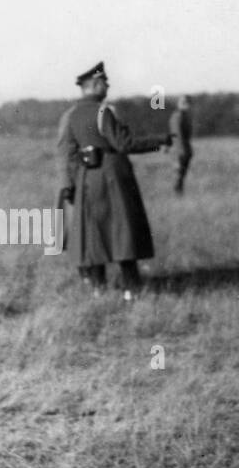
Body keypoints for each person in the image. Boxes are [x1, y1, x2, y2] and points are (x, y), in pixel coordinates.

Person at [56, 61, 167, 299]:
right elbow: (123, 144)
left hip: (86, 181)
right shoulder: (103, 111)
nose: (107, 86)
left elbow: (67, 151)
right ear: (95, 85)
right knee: (123, 234)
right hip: (113, 178)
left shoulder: (72, 115)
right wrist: (160, 140)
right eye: (104, 83)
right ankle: (131, 290)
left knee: (94, 235)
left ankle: (98, 289)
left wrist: (69, 184)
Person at [168, 94, 194, 195]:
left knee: (181, 175)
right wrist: (182, 151)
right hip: (180, 151)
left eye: (187, 103)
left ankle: (179, 193)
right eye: (184, 103)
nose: (187, 105)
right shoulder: (177, 117)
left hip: (184, 150)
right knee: (179, 175)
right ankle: (177, 194)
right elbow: (177, 135)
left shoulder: (184, 116)